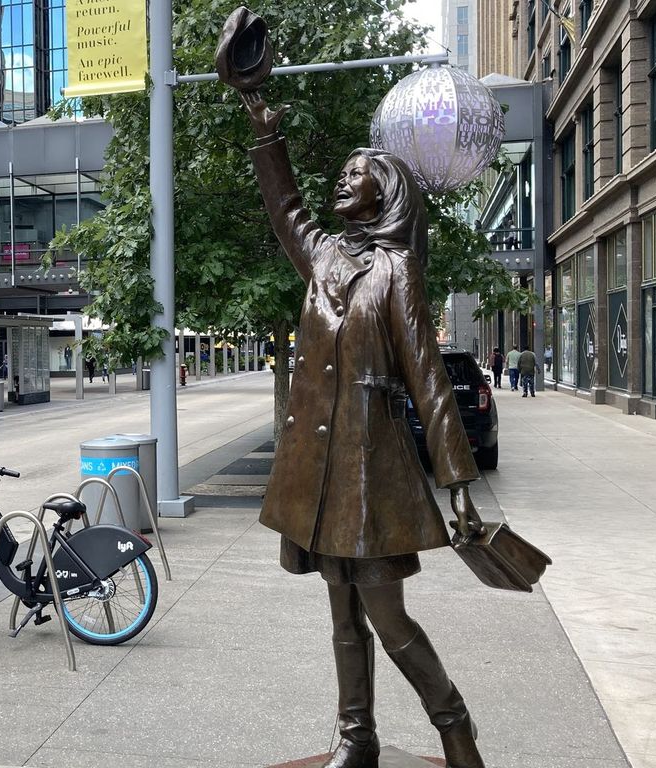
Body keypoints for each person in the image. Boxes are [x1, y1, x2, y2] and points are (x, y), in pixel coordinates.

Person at [235, 80, 487, 767]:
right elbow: (284, 206)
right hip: (318, 471)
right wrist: (264, 129)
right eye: (342, 174)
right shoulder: (321, 256)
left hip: (372, 468)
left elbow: (428, 376)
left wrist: (458, 481)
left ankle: (455, 729)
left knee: (388, 617)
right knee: (341, 611)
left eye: (356, 174)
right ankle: (357, 736)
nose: (342, 182)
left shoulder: (397, 270)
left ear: (386, 191)